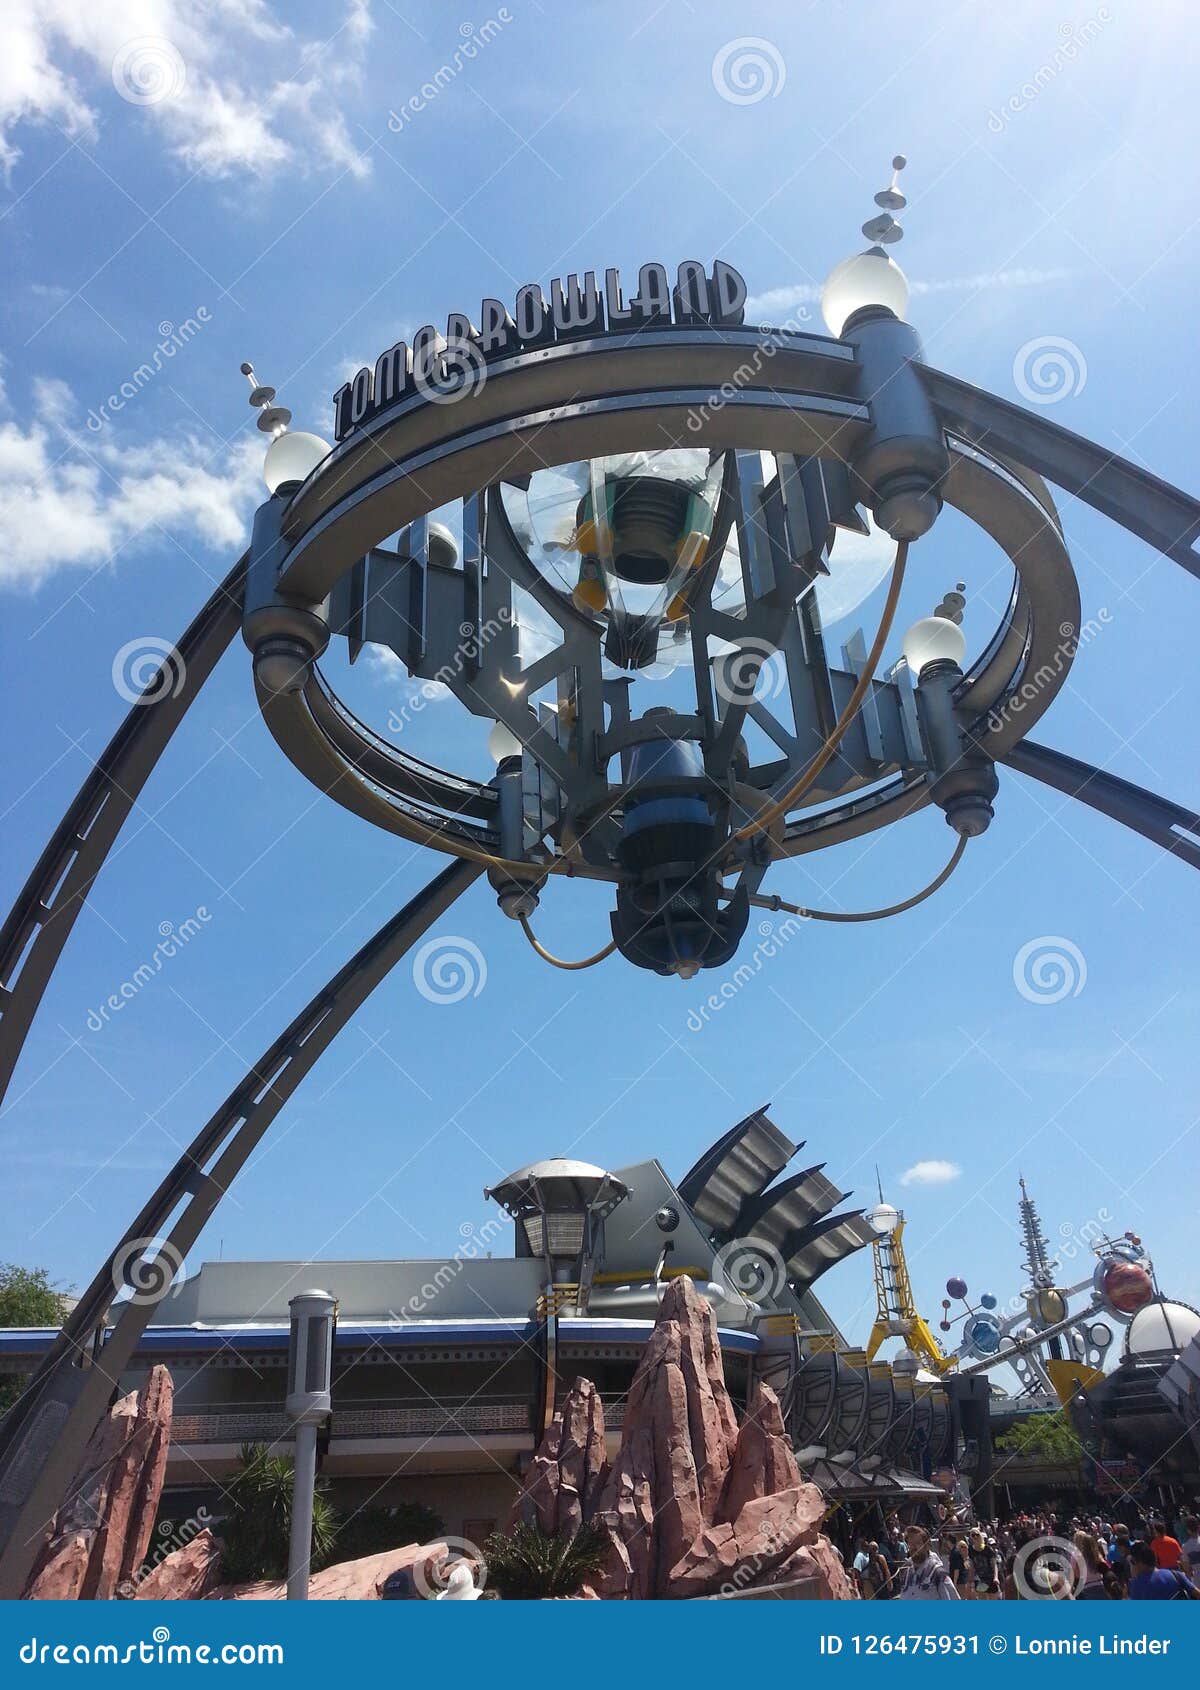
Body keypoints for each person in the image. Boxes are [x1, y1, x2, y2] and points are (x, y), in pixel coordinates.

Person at [895, 1525, 959, 1600]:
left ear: (927, 1546)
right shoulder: (907, 1575)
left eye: (918, 1543)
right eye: (910, 1543)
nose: (914, 1547)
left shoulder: (938, 1574)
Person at [1128, 1541, 1199, 1600]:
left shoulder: (1136, 1586)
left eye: (1132, 1562)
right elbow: (1197, 1593)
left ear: (1140, 1563)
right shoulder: (1175, 1574)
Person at [1074, 1532, 1120, 1600]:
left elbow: (1077, 1575)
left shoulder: (1079, 1558)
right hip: (1100, 1585)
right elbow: (1105, 1568)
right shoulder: (1097, 1556)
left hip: (1087, 1588)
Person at [968, 1526, 1000, 1600]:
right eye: (973, 1535)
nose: (975, 1537)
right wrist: (970, 1580)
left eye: (977, 1535)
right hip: (980, 1579)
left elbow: (994, 1565)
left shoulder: (988, 1549)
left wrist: (996, 1577)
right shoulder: (971, 1550)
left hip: (991, 1578)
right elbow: (972, 1566)